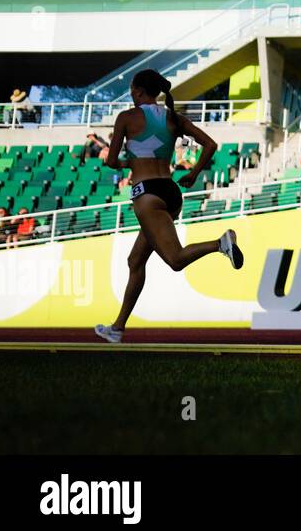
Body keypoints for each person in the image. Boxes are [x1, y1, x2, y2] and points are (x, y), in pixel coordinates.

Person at [95, 69, 240, 344]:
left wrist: (132, 164)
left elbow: (111, 161)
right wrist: (194, 174)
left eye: (131, 89)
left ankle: (220, 244)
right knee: (135, 261)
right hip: (171, 193)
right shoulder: (174, 117)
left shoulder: (126, 117)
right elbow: (210, 144)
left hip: (147, 194)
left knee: (175, 260)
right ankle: (117, 328)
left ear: (138, 91)